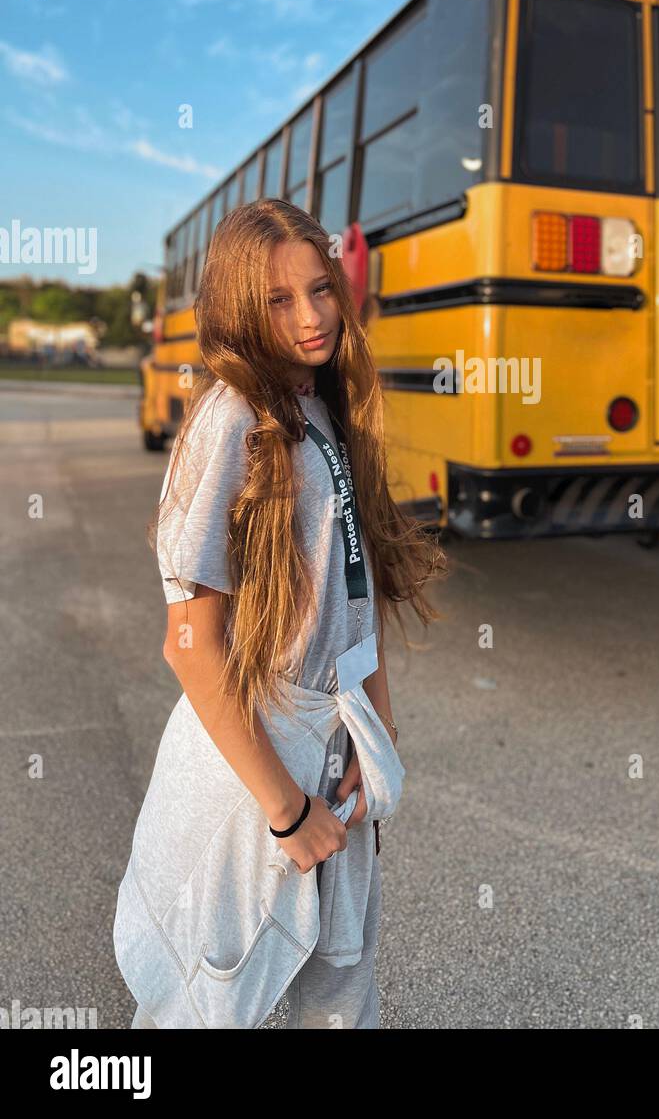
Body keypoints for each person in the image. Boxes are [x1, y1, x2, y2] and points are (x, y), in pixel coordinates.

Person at [117, 198, 446, 1028]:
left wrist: (380, 731)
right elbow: (191, 646)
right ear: (236, 307)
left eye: (321, 289)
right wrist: (287, 813)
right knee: (213, 1000)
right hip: (258, 764)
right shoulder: (230, 420)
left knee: (338, 989)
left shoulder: (324, 409)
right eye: (278, 300)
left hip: (332, 746)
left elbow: (355, 590)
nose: (311, 317)